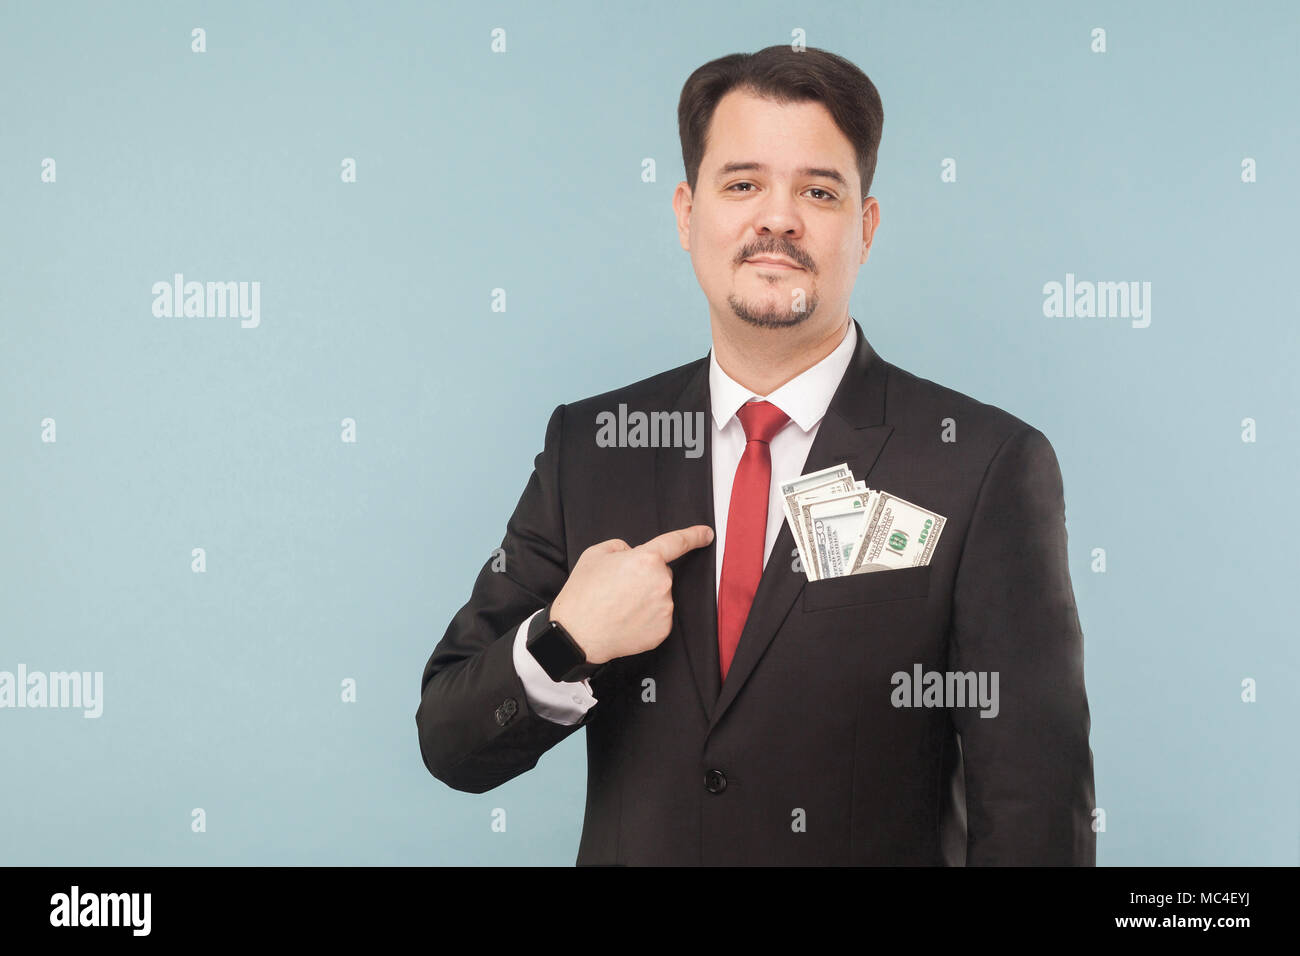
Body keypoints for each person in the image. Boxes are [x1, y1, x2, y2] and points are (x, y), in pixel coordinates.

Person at [415, 45, 1096, 865]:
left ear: (866, 227)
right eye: (742, 185)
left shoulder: (986, 467)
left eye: (818, 191)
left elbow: (1035, 817)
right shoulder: (592, 447)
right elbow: (450, 740)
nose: (778, 218)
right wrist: (567, 638)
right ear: (685, 212)